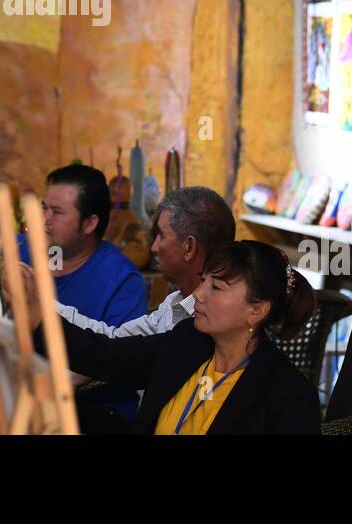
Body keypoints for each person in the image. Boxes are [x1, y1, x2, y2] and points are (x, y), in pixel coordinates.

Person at [29, 240, 321, 434]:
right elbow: (102, 354)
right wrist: (35, 317)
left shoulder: (288, 396)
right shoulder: (187, 343)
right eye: (203, 280)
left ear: (256, 311)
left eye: (216, 288)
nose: (199, 294)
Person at [17, 163, 146, 431]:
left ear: (90, 223)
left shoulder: (122, 280)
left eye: (57, 212)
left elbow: (122, 355)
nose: (44, 219)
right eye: (43, 207)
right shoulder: (22, 252)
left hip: (95, 411)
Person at [52, 186, 235, 338]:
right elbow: (116, 340)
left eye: (161, 236)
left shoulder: (214, 322)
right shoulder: (175, 303)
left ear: (189, 248)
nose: (154, 248)